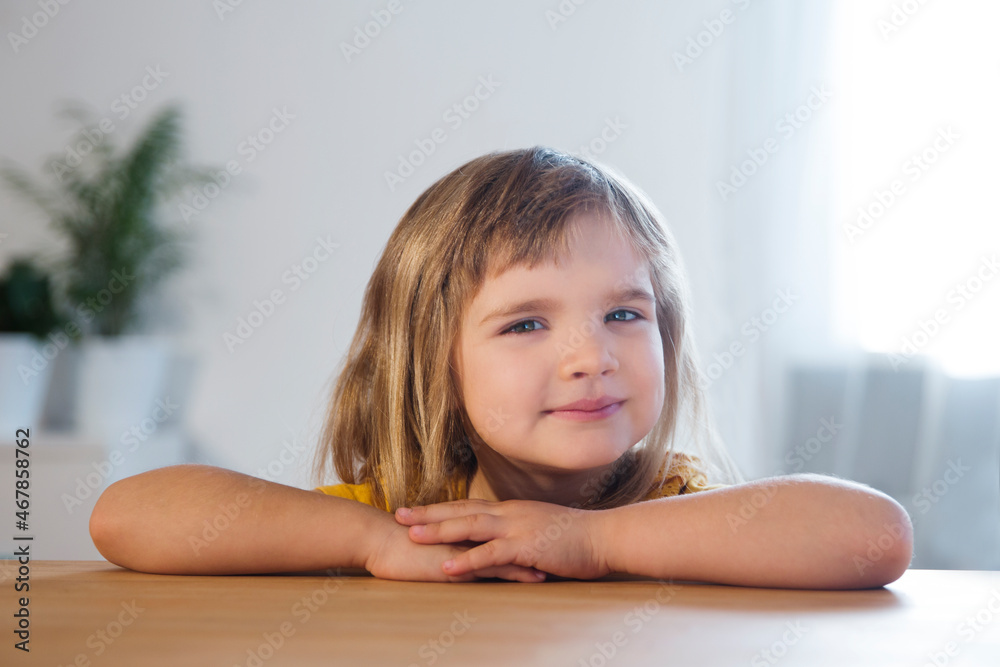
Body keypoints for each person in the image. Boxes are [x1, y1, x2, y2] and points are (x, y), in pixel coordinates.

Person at [90, 147, 912, 588]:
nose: (592, 357)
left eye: (625, 313)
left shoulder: (670, 505)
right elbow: (127, 515)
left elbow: (872, 535)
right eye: (525, 323)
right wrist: (371, 540)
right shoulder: (412, 516)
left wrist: (590, 541)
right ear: (432, 364)